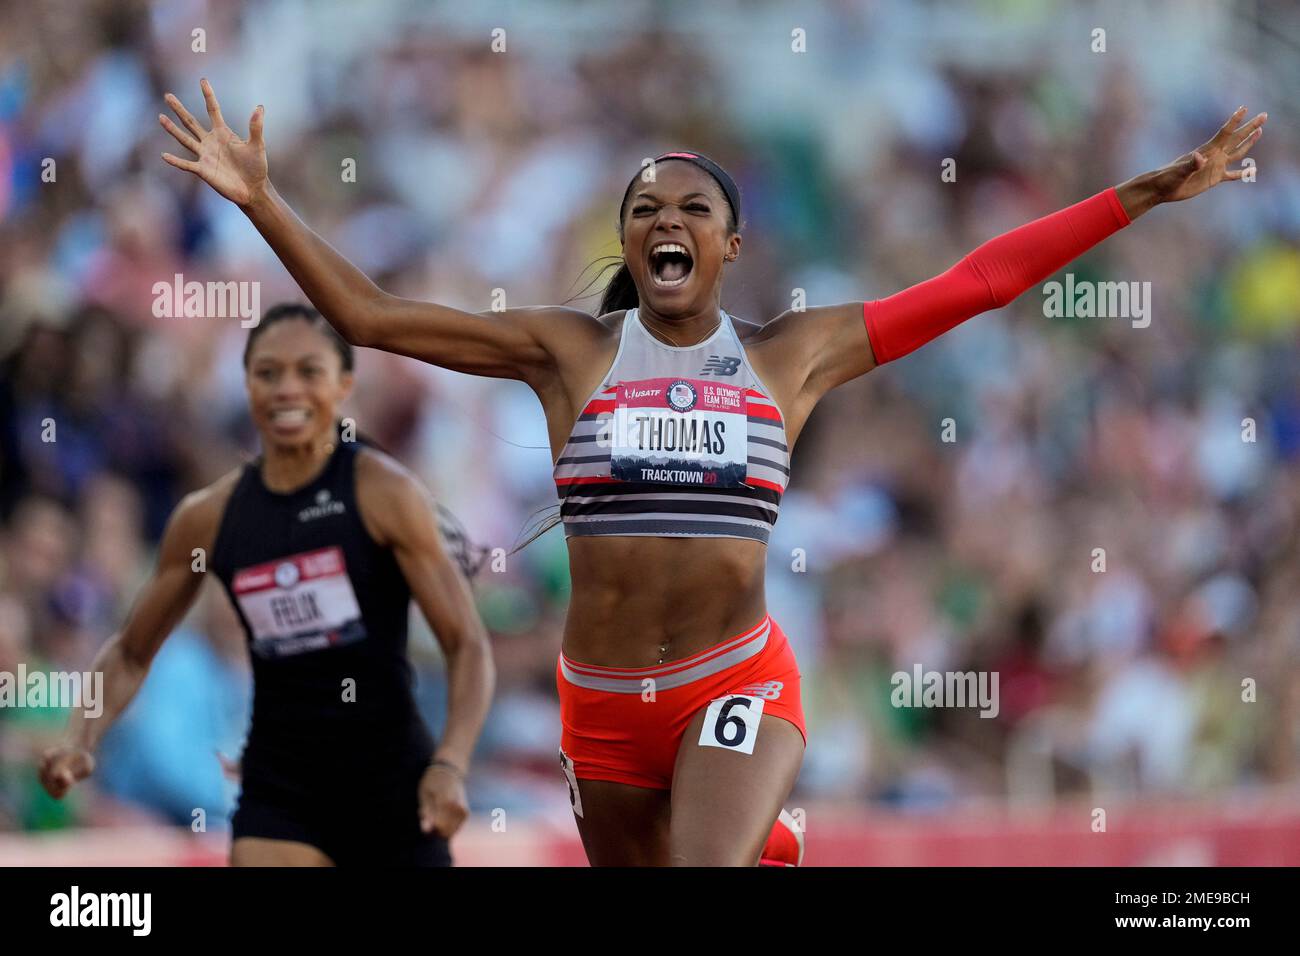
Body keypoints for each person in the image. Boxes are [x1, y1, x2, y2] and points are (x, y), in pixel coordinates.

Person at [157, 79, 1264, 864]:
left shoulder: (793, 352)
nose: (667, 221)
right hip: (600, 706)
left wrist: (1139, 195)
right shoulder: (566, 350)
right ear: (629, 243)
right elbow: (368, 315)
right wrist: (260, 198)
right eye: (646, 209)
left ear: (730, 245)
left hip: (734, 677)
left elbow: (979, 280)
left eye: (694, 208)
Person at [39, 303, 495, 866]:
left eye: (309, 372)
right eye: (268, 373)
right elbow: (133, 651)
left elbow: (466, 645)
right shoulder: (209, 517)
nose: (286, 390)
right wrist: (79, 738)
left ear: (343, 385)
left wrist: (450, 764)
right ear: (247, 385)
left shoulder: (385, 494)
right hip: (280, 791)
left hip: (390, 784)